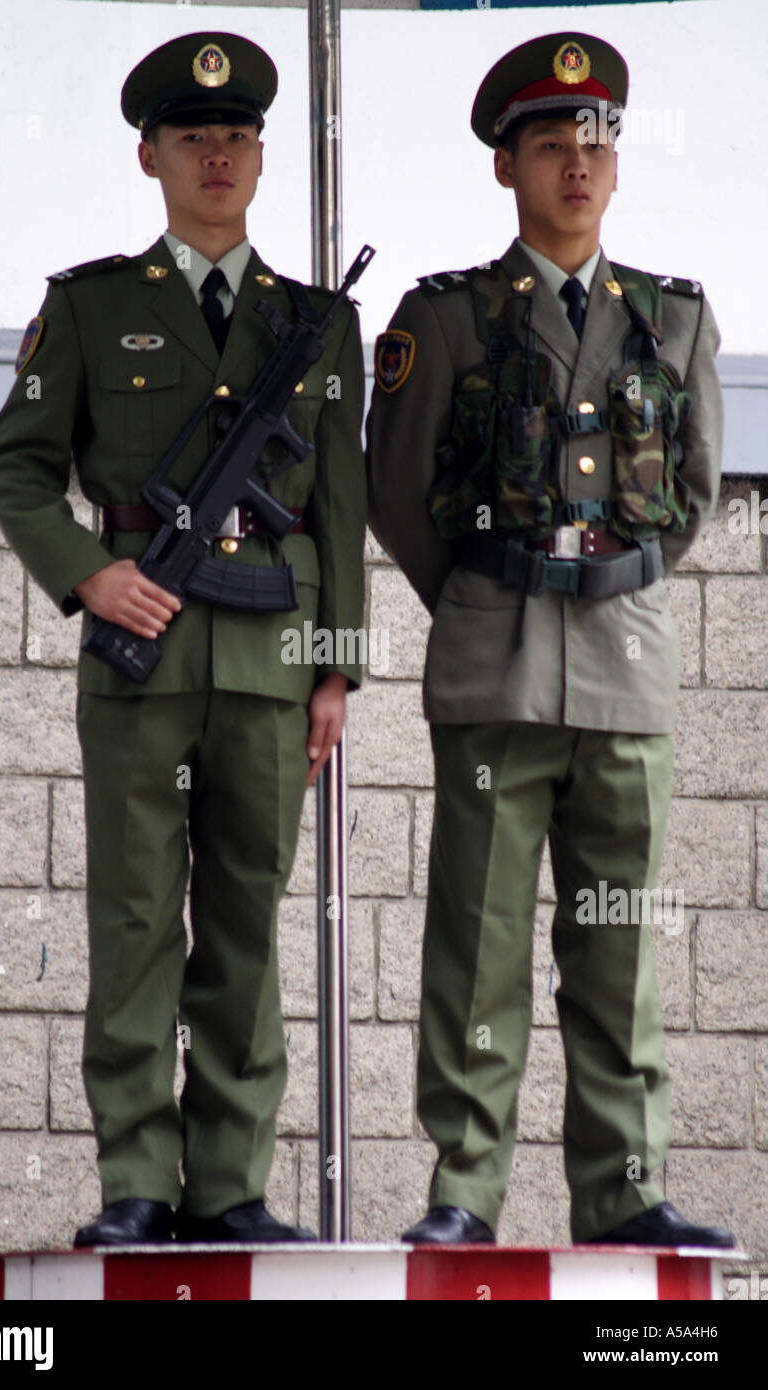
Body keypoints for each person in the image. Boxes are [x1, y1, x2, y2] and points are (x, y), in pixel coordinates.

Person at [0, 31, 367, 1246]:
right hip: (141, 667)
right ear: (149, 154)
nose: (219, 154)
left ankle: (232, 1188)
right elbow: (19, 469)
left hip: (267, 667)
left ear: (260, 157)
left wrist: (335, 668)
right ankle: (138, 1185)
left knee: (247, 926)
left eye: (240, 136)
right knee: (139, 922)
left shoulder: (314, 325)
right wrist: (91, 575)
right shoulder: (92, 306)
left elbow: (342, 512)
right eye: (194, 137)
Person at [366, 31, 735, 1249]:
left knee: (619, 949)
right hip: (494, 668)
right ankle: (463, 1191)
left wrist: (607, 584)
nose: (577, 162)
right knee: (475, 946)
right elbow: (400, 489)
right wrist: (488, 594)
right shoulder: (450, 318)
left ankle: (624, 1190)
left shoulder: (671, 321)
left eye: (596, 141)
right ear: (505, 168)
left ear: (616, 164)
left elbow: (687, 494)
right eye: (548, 143)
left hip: (624, 676)